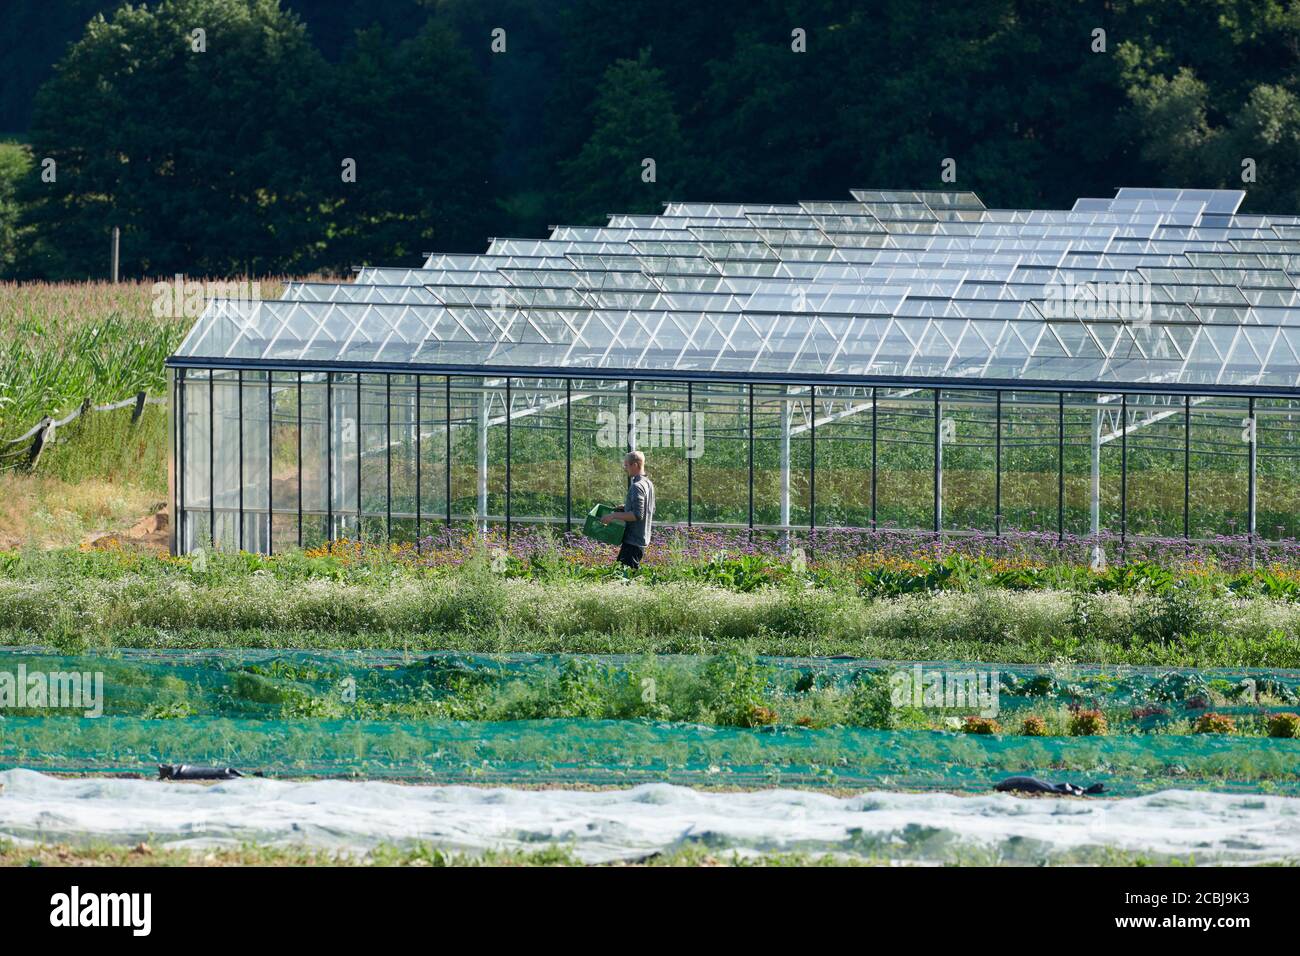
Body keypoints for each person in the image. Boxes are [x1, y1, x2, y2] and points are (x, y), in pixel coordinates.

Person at [600, 450, 656, 570]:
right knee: (624, 575)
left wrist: (613, 516)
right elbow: (648, 509)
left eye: (626, 465)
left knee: (623, 578)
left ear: (635, 465)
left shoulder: (637, 486)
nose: (625, 468)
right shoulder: (648, 484)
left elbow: (637, 515)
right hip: (640, 539)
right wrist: (625, 507)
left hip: (633, 541)